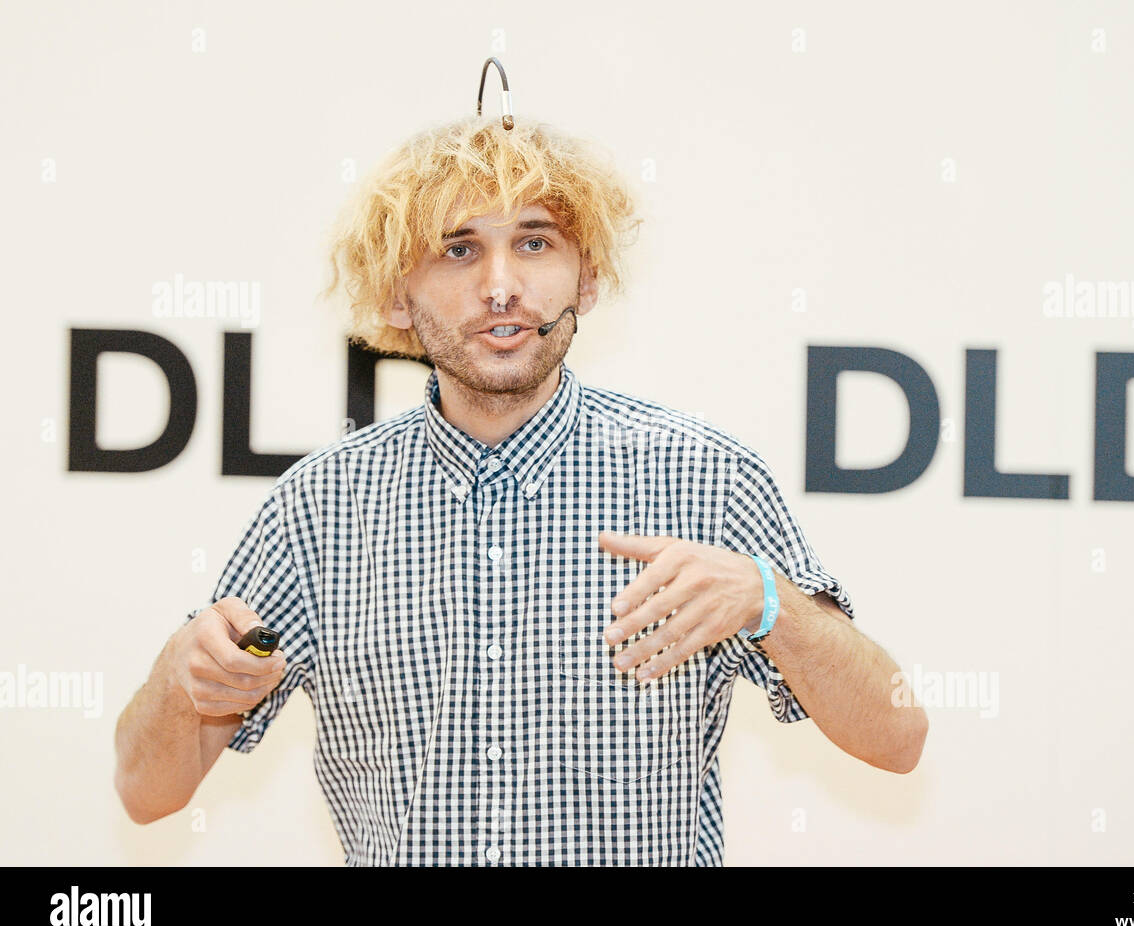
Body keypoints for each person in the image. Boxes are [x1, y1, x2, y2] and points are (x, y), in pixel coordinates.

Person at [113, 115, 928, 866]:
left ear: (588, 280)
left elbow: (896, 737)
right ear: (397, 295)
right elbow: (148, 794)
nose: (501, 287)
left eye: (535, 244)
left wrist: (769, 602)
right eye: (458, 249)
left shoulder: (707, 477)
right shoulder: (320, 507)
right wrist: (180, 674)